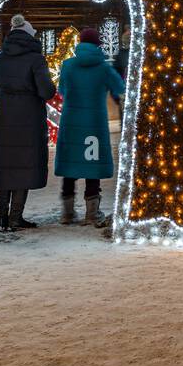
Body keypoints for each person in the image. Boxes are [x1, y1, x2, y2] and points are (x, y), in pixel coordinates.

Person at [0, 15, 56, 231]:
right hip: (28, 119)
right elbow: (46, 91)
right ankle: (15, 218)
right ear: (30, 37)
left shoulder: (1, 59)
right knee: (23, 166)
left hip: (3, 116)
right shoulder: (36, 60)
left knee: (5, 166)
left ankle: (1, 219)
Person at [55, 26, 125, 225]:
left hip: (71, 121)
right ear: (98, 45)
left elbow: (62, 90)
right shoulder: (104, 68)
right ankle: (91, 213)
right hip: (94, 123)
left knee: (71, 165)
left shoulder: (68, 65)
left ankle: (67, 213)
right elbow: (119, 87)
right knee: (92, 165)